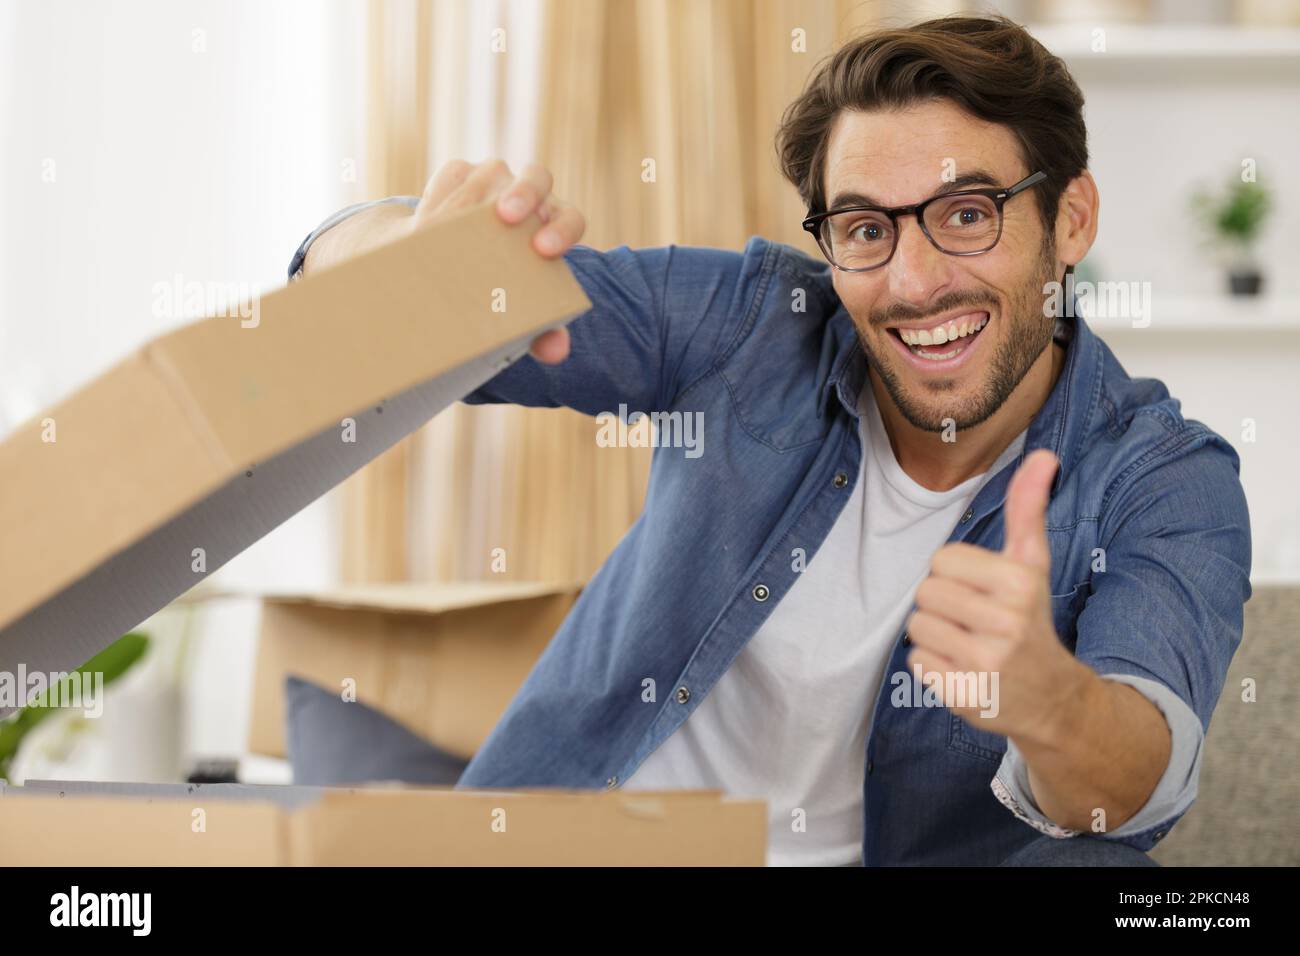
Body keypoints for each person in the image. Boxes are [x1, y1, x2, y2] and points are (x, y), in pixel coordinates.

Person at [288, 14, 1251, 866]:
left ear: (1069, 219)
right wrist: (391, 256)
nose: (913, 283)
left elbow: (1132, 783)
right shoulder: (748, 323)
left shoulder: (1164, 478)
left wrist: (1053, 704)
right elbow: (397, 325)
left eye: (966, 215)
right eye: (866, 228)